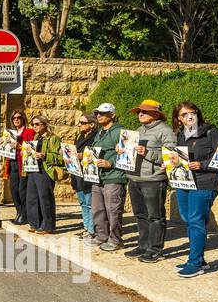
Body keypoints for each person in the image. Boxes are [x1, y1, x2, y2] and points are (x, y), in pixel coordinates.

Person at [172, 102, 218, 278]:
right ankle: (197, 259)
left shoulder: (210, 131)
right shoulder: (180, 135)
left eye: (192, 112)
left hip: (205, 182)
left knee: (195, 220)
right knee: (188, 219)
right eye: (184, 114)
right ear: (179, 118)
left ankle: (195, 262)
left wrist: (202, 164)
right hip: (184, 183)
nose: (189, 116)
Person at [126, 99, 176, 263]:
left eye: (144, 111)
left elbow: (172, 157)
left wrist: (148, 153)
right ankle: (143, 245)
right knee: (141, 215)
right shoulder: (138, 130)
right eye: (139, 111)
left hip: (153, 179)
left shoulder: (166, 131)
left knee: (155, 216)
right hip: (135, 177)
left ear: (156, 113)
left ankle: (155, 249)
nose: (140, 114)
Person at [88, 103, 128, 251]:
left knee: (113, 210)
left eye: (102, 113)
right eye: (97, 113)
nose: (98, 115)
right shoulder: (99, 133)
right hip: (98, 177)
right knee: (98, 209)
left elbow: (129, 156)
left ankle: (116, 240)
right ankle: (101, 236)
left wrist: (110, 163)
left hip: (114, 176)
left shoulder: (120, 132)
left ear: (112, 115)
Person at [25, 114, 64, 233]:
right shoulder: (36, 137)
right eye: (33, 124)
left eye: (37, 124)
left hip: (45, 171)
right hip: (33, 170)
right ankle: (35, 223)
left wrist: (45, 155)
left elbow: (60, 158)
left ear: (45, 124)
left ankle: (48, 226)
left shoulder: (53, 138)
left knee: (45, 198)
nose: (34, 126)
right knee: (32, 198)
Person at [71, 113, 97, 242]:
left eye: (82, 122)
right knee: (82, 203)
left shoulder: (95, 137)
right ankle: (86, 228)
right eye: (79, 122)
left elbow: (97, 153)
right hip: (77, 173)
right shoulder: (79, 136)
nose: (80, 125)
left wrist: (84, 156)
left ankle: (92, 230)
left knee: (89, 203)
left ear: (92, 124)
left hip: (88, 175)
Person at [6, 110, 34, 226]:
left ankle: (24, 215)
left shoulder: (29, 132)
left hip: (22, 165)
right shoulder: (11, 133)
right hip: (12, 163)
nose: (16, 119)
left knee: (22, 190)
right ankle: (19, 212)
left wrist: (20, 146)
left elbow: (31, 148)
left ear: (23, 118)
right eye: (14, 118)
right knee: (13, 190)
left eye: (18, 117)